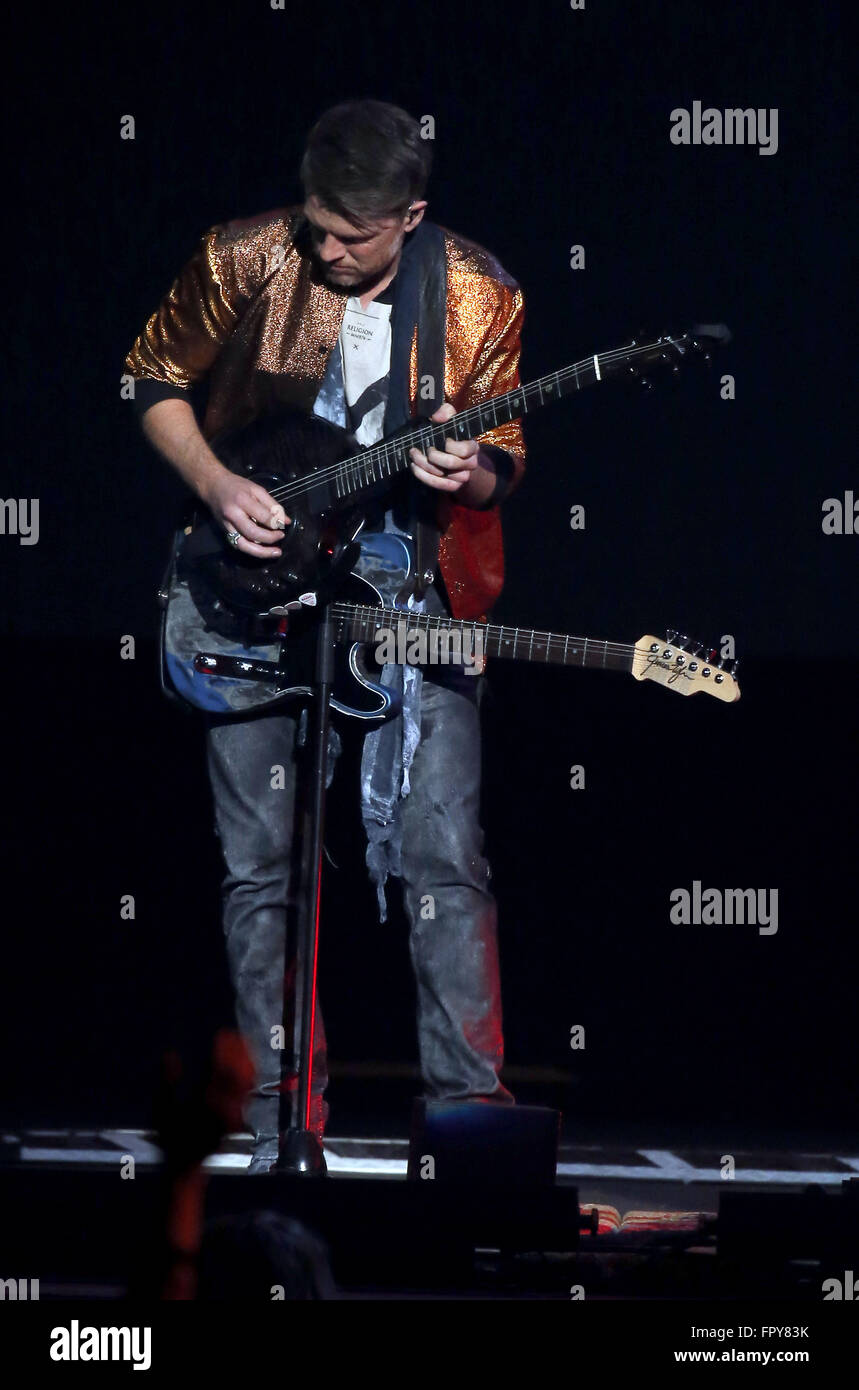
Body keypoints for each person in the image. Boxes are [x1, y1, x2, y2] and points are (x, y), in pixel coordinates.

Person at [124, 100, 526, 1172]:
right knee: (263, 867)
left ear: (413, 214)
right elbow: (153, 378)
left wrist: (467, 470)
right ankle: (280, 1129)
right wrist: (214, 486)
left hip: (409, 596)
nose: (331, 251)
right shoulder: (244, 255)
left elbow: (501, 460)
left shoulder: (480, 291)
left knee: (445, 852)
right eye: (319, 227)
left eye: (356, 235)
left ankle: (471, 1128)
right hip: (251, 591)